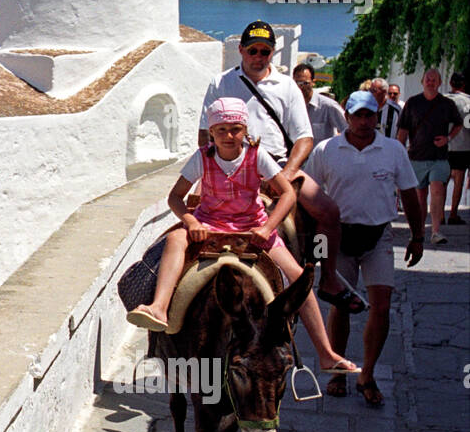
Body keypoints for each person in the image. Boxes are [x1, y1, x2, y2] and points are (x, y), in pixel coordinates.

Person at [129, 99, 360, 376]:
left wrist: (267, 227)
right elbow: (175, 197)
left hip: (252, 227)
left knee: (300, 279)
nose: (229, 136)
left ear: (245, 130)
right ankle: (160, 307)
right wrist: (190, 221)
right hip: (210, 224)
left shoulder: (256, 156)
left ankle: (325, 352)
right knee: (175, 241)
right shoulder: (202, 158)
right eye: (222, 129)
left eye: (235, 129)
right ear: (211, 132)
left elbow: (287, 193)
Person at [199, 21, 361, 312]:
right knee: (192, 220)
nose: (258, 57)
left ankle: (328, 276)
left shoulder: (286, 86)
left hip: (277, 165)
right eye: (253, 50)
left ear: (272, 53)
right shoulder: (221, 83)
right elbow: (204, 133)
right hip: (228, 164)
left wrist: (285, 174)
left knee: (328, 212)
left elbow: (304, 138)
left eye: (265, 51)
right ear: (241, 51)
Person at [305, 91, 425, 406]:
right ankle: (338, 369)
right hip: (338, 238)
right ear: (346, 116)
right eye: (357, 115)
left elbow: (410, 194)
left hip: (378, 236)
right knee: (339, 306)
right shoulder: (327, 150)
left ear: (377, 115)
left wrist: (418, 236)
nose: (363, 122)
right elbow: (308, 195)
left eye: (369, 115)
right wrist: (313, 247)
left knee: (381, 307)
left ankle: (367, 374)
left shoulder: (393, 150)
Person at [396, 69, 463, 246]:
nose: (431, 82)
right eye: (428, 79)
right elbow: (403, 130)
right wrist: (398, 153)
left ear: (440, 83)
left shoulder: (446, 104)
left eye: (434, 80)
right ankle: (418, 231)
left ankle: (435, 230)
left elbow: (458, 123)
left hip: (439, 157)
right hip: (417, 156)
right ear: (422, 81)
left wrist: (448, 138)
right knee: (420, 195)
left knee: (437, 189)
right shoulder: (412, 103)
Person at [293, 63, 346, 143]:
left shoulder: (328, 106)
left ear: (313, 82)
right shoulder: (291, 106)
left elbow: (347, 130)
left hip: (323, 154)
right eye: (297, 83)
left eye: (305, 83)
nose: (300, 87)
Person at [445, 71, 470, 225]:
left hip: (443, 144)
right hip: (462, 145)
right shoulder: (468, 102)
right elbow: (468, 124)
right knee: (459, 178)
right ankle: (453, 213)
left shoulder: (442, 100)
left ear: (450, 84)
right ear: (464, 85)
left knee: (442, 179)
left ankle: (439, 213)